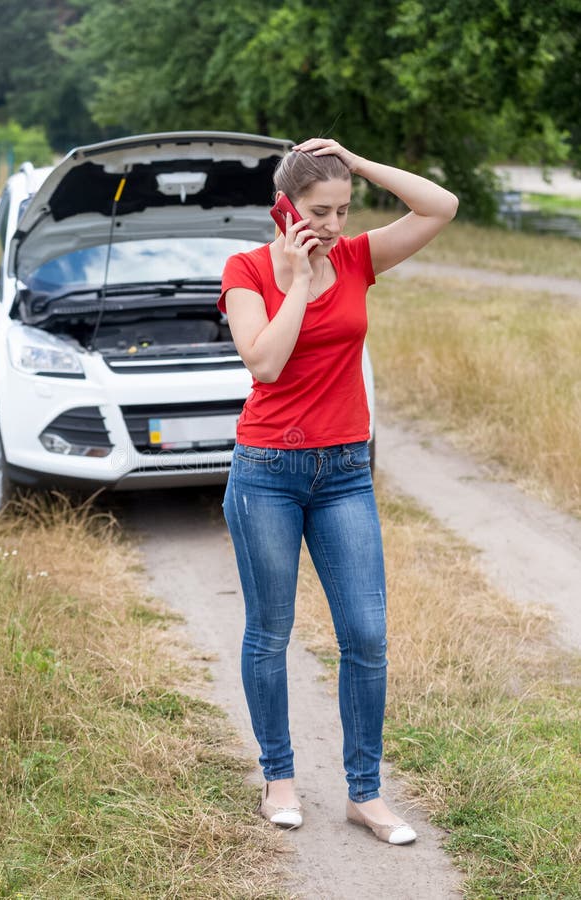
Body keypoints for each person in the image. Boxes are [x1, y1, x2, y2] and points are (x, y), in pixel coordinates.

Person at [218, 137, 458, 844]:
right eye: (319, 212)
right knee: (270, 633)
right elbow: (263, 363)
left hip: (346, 472)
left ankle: (365, 794)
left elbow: (439, 206)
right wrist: (295, 280)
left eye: (343, 211)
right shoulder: (247, 269)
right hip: (267, 471)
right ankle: (281, 778)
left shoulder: (356, 258)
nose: (333, 226)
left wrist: (353, 161)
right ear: (283, 208)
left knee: (366, 635)